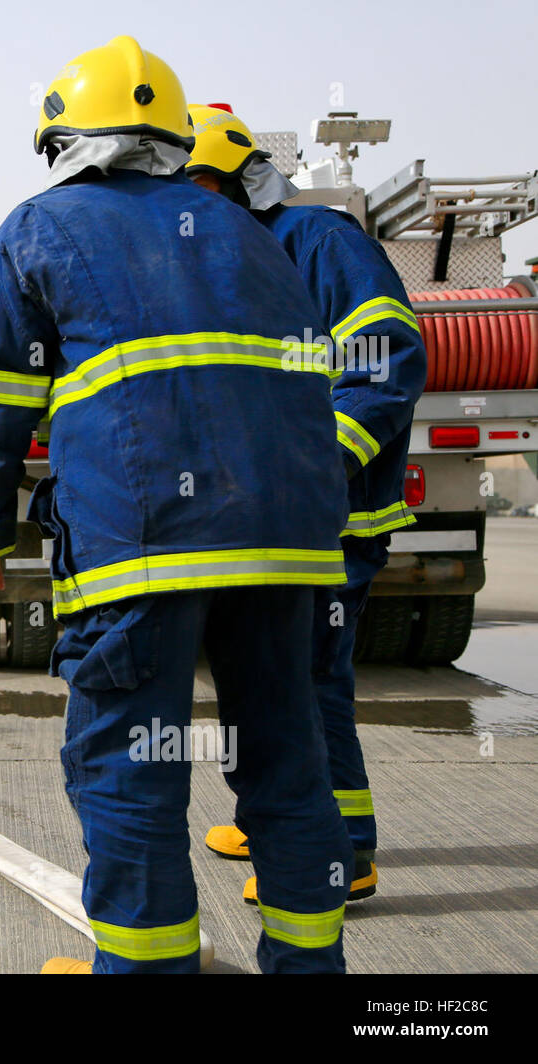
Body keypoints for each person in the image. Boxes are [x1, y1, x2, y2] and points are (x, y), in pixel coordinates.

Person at [0, 38, 354, 973]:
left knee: (133, 771)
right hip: (285, 551)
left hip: (143, 547)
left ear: (62, 140)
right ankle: (311, 968)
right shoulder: (249, 232)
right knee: (288, 759)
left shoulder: (40, 228)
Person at [186, 103, 428, 905]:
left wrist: (315, 471)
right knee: (260, 674)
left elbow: (385, 359)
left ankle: (347, 851)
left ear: (234, 182)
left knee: (313, 679)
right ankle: (274, 821)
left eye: (193, 186)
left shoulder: (318, 242)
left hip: (331, 516)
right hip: (266, 521)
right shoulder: (227, 256)